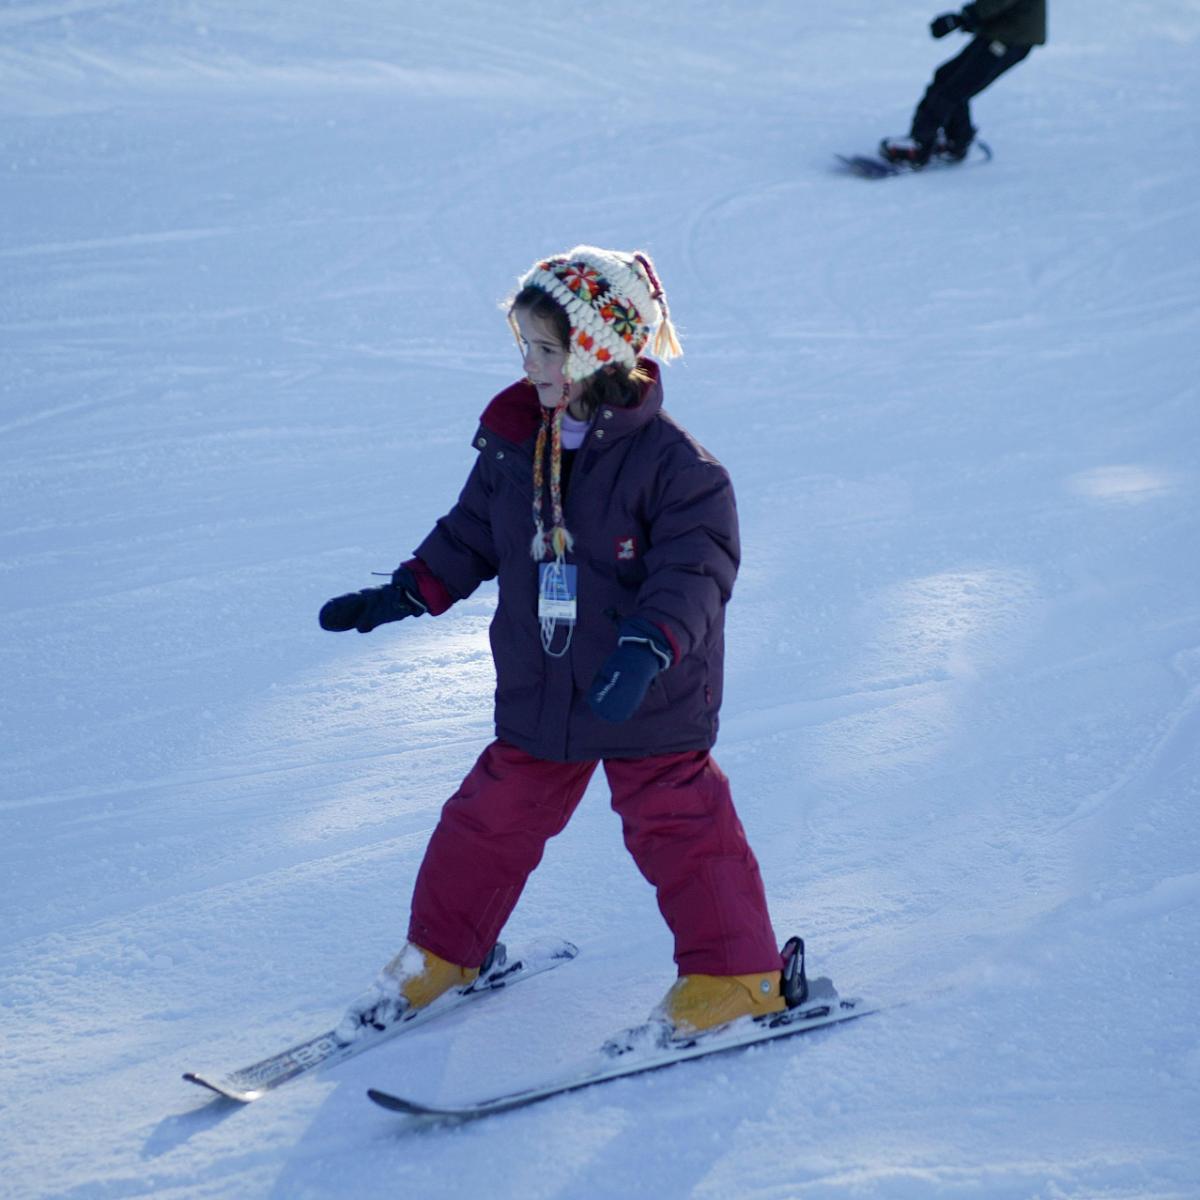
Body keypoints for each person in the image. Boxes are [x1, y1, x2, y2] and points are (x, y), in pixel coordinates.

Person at [319, 246, 805, 1041]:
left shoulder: (680, 470)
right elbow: (473, 533)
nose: (531, 365)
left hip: (645, 693)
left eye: (548, 349)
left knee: (681, 827)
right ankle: (444, 954)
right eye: (525, 347)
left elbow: (695, 571)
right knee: (486, 820)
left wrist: (648, 649)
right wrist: (407, 590)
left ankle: (737, 975)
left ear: (599, 353)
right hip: (544, 689)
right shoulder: (520, 444)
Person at [881, 0, 1046, 167]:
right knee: (946, 77)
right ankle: (957, 141)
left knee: (954, 88)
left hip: (1012, 37)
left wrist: (964, 17)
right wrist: (965, 19)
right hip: (1000, 31)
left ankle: (919, 146)